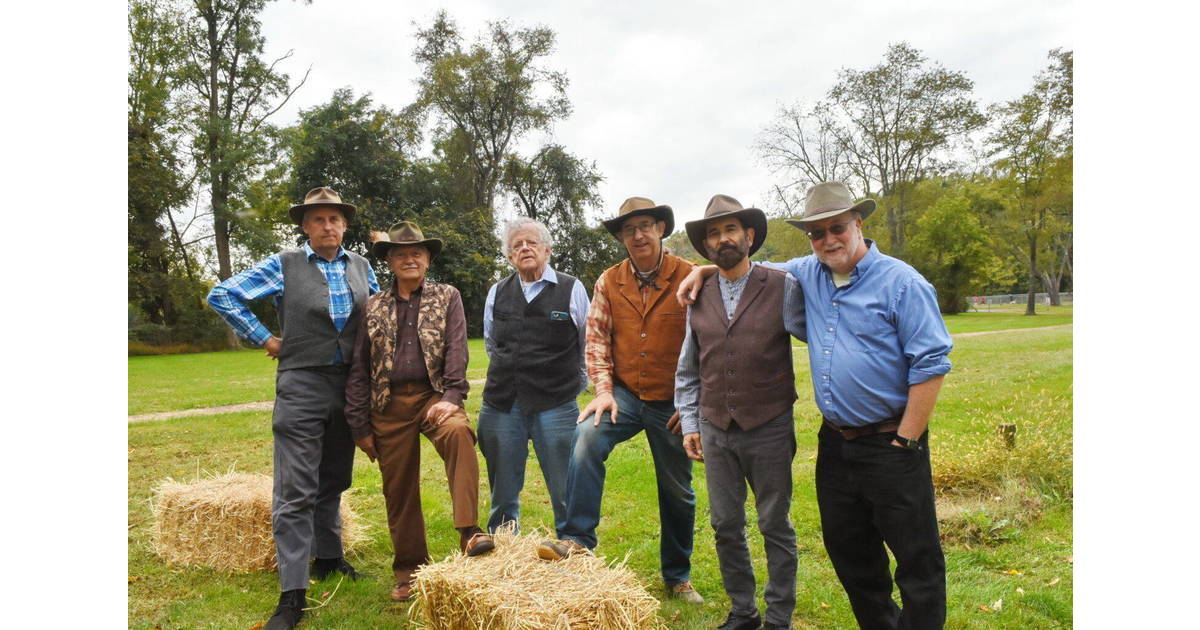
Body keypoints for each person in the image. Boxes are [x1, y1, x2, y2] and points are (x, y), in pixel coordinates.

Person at [678, 182, 953, 629]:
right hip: (837, 443)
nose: (828, 240)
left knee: (915, 556)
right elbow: (747, 270)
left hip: (892, 440)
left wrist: (907, 438)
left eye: (837, 228)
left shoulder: (902, 282)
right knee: (852, 553)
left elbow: (932, 362)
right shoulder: (809, 272)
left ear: (858, 224)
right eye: (817, 233)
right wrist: (702, 271)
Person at [207, 187, 379, 630]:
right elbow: (223, 294)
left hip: (349, 388)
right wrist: (264, 337)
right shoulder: (284, 265)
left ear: (344, 224)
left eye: (334, 219)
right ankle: (292, 593)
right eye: (318, 219)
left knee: (335, 478)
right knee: (296, 488)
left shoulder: (362, 266)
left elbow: (380, 315)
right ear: (305, 226)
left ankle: (329, 557)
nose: (327, 226)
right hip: (302, 384)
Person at [537, 197, 704, 606]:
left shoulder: (691, 276)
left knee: (678, 490)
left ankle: (677, 576)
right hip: (625, 395)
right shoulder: (609, 281)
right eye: (630, 229)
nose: (639, 235)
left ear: (661, 229)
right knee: (585, 440)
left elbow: (708, 344)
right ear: (622, 237)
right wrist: (605, 392)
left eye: (646, 225)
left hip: (673, 403)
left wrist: (692, 404)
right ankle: (577, 539)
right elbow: (595, 341)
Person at [343, 221, 494, 604]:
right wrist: (360, 425)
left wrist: (452, 396)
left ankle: (469, 530)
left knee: (458, 433)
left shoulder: (448, 297)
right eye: (400, 253)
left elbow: (458, 349)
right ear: (390, 261)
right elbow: (359, 367)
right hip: (387, 405)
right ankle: (409, 570)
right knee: (399, 489)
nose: (409, 258)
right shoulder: (371, 306)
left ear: (427, 259)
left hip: (434, 397)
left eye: (417, 252)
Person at [675, 194, 806, 630]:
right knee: (725, 524)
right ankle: (743, 612)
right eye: (713, 233)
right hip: (716, 427)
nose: (722, 239)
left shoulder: (782, 285)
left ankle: (779, 617)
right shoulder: (697, 294)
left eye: (730, 229)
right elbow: (688, 368)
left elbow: (819, 333)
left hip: (768, 423)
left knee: (774, 524)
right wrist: (691, 422)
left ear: (749, 236)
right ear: (706, 246)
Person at [478, 217, 589, 536]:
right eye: (517, 245)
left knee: (566, 487)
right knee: (502, 491)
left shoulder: (572, 288)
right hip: (501, 404)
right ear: (510, 257)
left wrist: (570, 387)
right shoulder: (497, 292)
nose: (524, 248)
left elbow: (586, 343)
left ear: (547, 250)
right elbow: (491, 342)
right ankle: (504, 547)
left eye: (531, 243)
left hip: (556, 404)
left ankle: (572, 546)